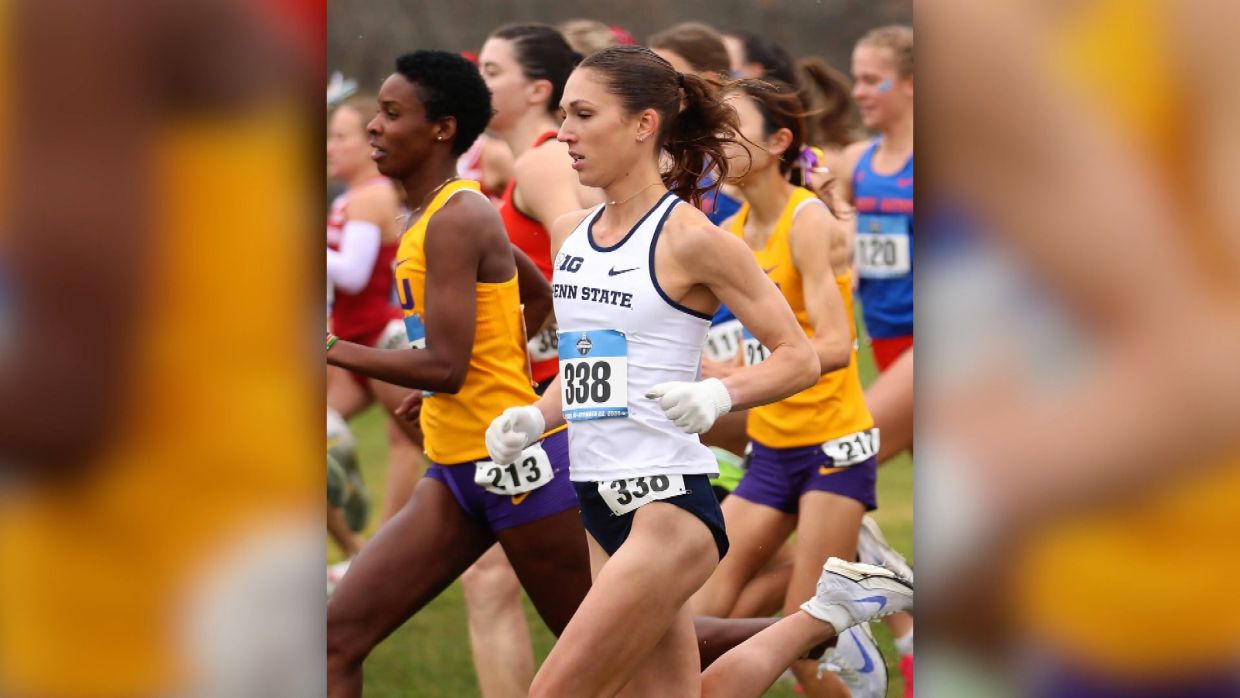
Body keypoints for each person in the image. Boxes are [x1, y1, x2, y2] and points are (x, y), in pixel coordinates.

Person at [484, 44, 910, 698]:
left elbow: (802, 354)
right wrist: (533, 417)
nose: (564, 131)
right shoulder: (575, 238)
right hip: (595, 495)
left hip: (666, 506)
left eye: (583, 113)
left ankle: (816, 622)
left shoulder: (692, 237)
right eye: (563, 113)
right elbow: (590, 371)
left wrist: (719, 394)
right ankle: (827, 613)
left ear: (642, 124)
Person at [323, 50, 591, 698]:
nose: (374, 130)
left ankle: (803, 625)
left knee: (648, 648)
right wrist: (480, 372)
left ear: (441, 129)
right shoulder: (439, 215)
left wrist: (329, 345)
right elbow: (535, 298)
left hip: (517, 471)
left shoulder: (457, 217)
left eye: (391, 115)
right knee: (333, 641)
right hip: (456, 471)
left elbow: (444, 365)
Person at [690, 78, 874, 698]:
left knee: (805, 651)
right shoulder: (733, 229)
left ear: (778, 142)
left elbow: (833, 344)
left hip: (832, 445)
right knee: (693, 622)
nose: (718, 139)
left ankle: (853, 599)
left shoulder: (807, 219)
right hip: (769, 450)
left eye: (731, 126)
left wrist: (738, 381)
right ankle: (860, 583)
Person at [325, 93, 426, 584]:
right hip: (348, 346)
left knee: (427, 445)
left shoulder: (372, 196)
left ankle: (386, 554)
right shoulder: (348, 199)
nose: (328, 146)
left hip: (379, 343)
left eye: (340, 136)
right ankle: (360, 551)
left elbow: (352, 274)